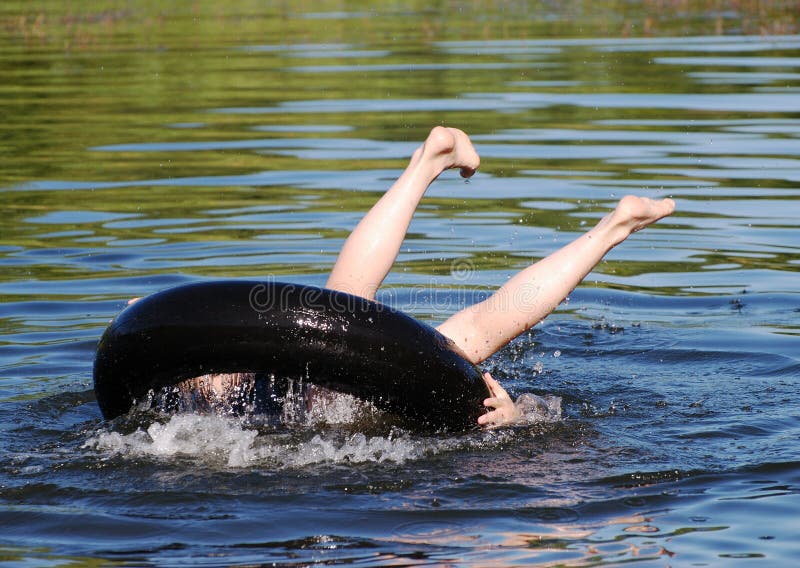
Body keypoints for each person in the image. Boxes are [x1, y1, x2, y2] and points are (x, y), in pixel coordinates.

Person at [146, 127, 675, 428]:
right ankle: (609, 228)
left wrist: (517, 422)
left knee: (453, 332)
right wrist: (519, 422)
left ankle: (611, 227)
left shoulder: (213, 405)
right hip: (328, 396)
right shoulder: (217, 397)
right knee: (457, 332)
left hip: (319, 397)